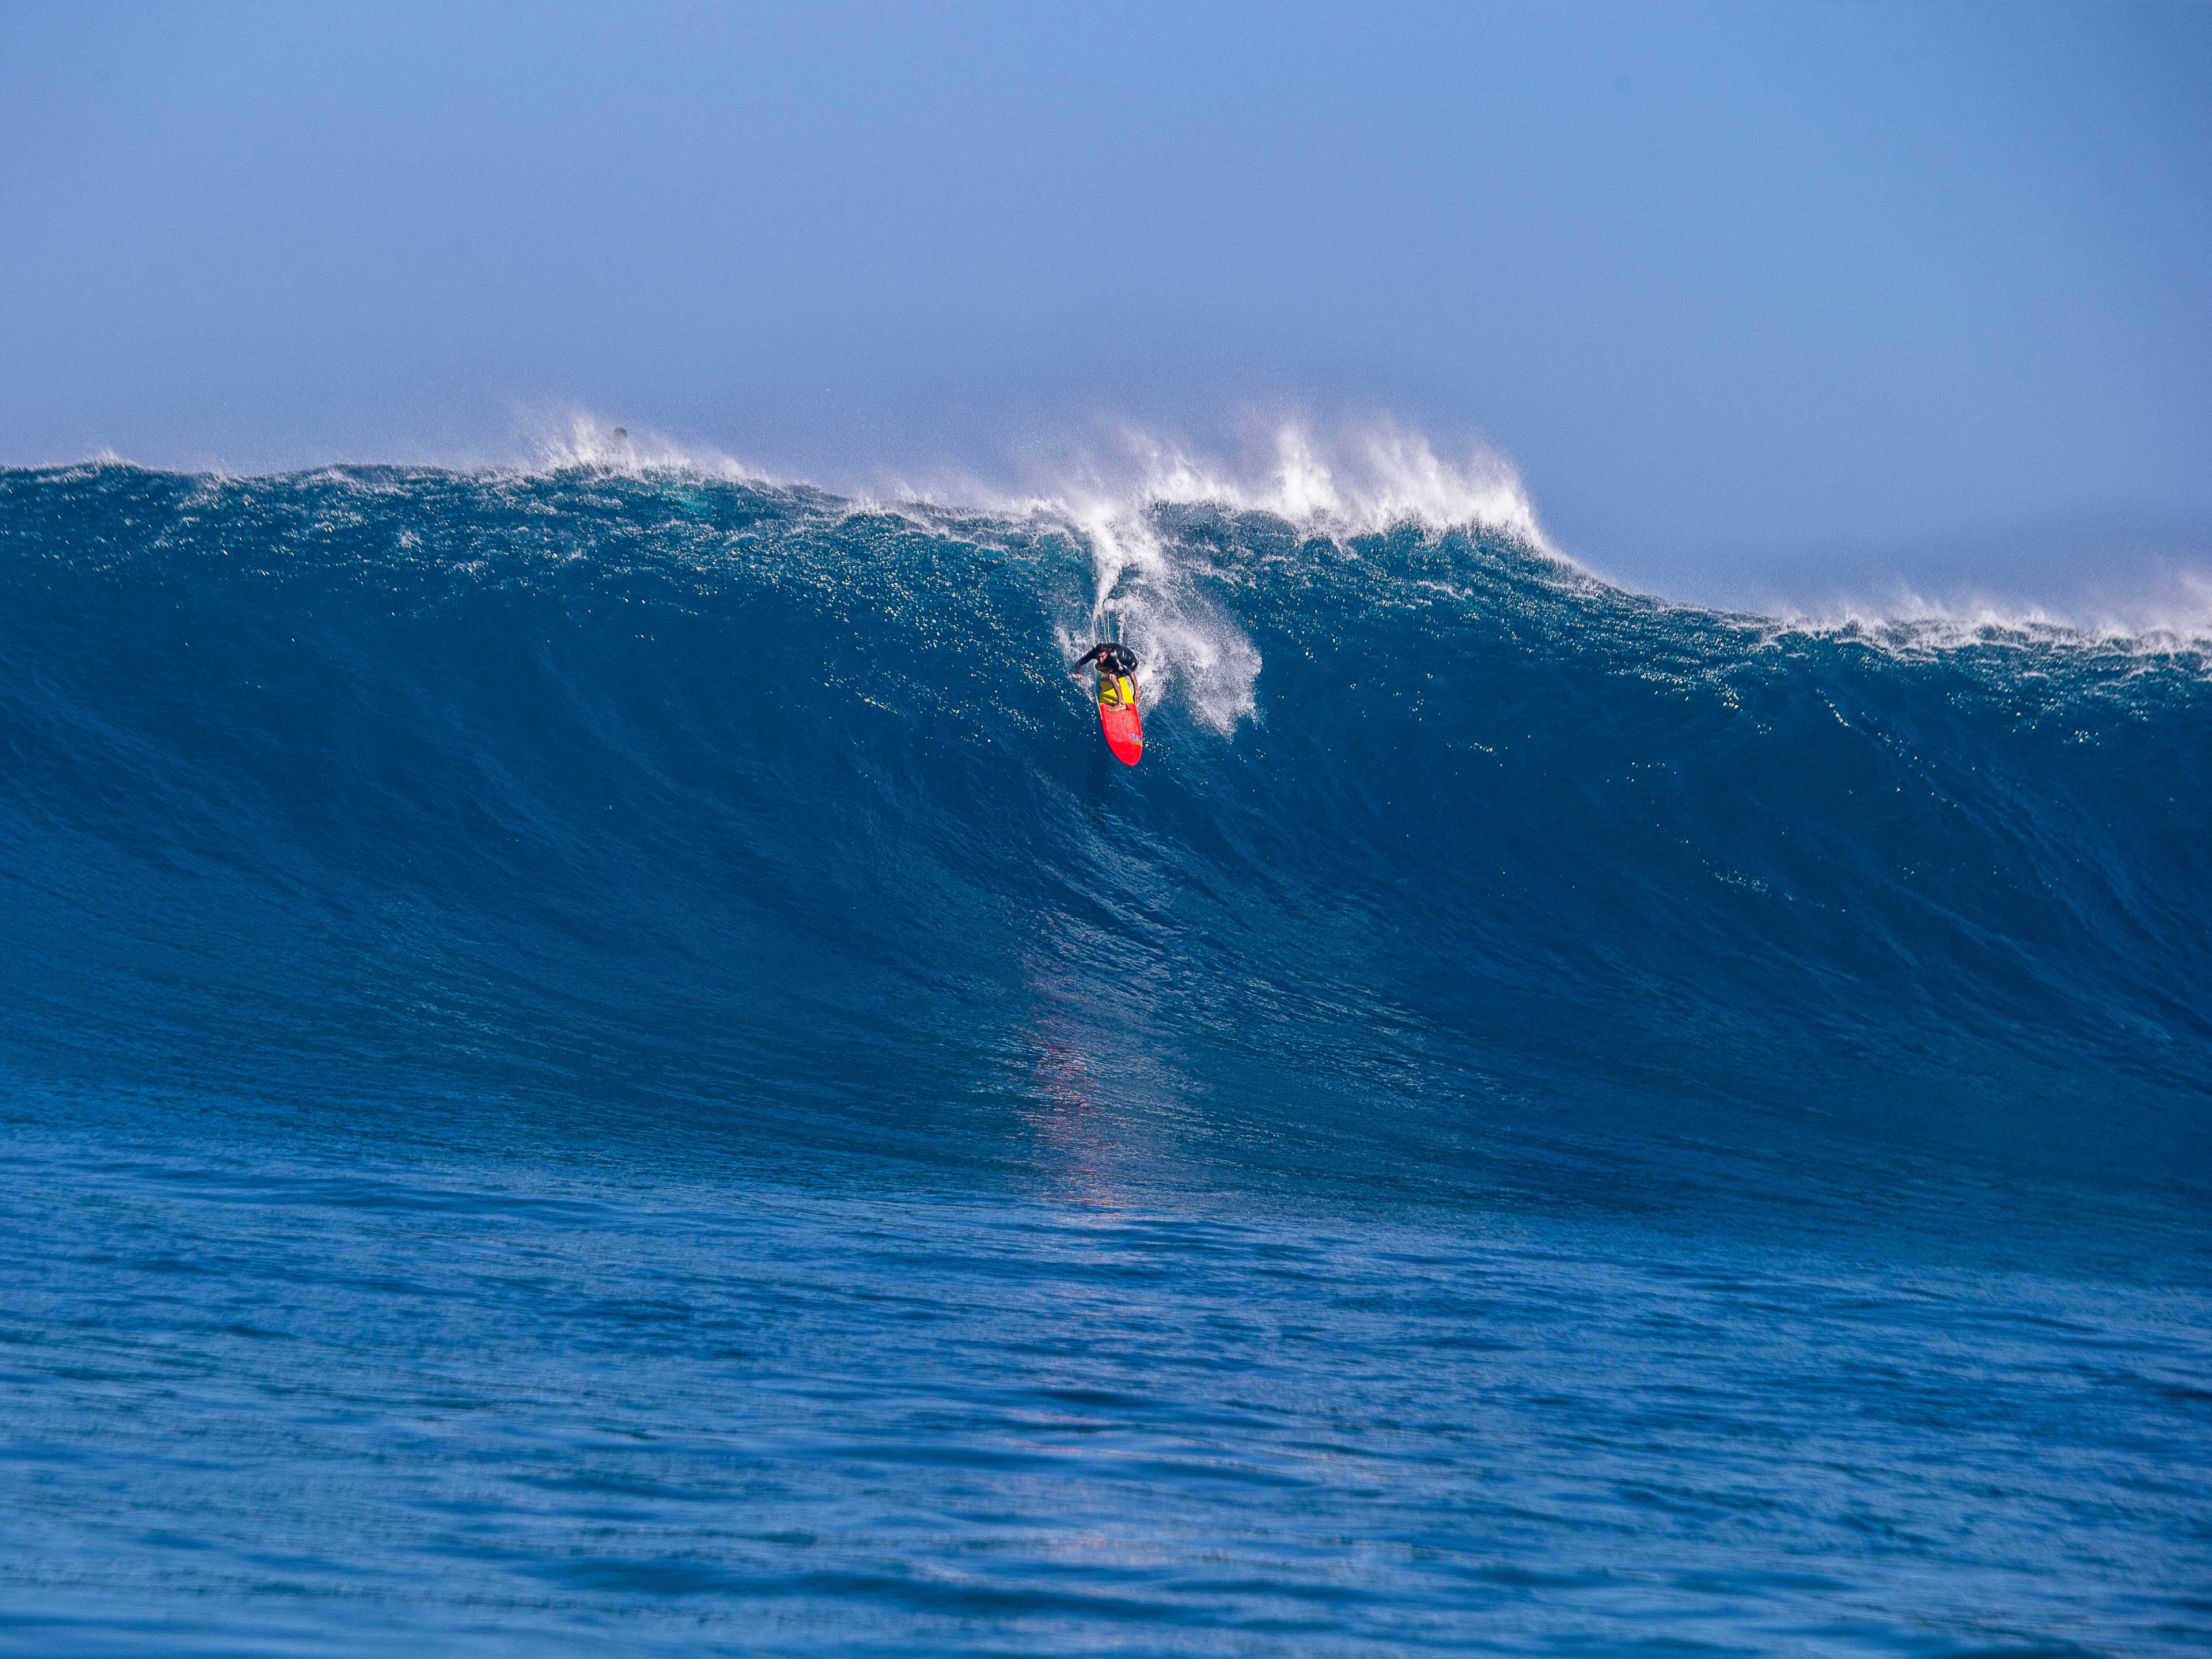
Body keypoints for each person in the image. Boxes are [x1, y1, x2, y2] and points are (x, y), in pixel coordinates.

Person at [1074, 641, 1139, 708]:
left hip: (1132, 664)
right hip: (1118, 660)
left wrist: (1136, 691)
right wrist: (1077, 672)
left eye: (1103, 657)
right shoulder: (1094, 653)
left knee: (1112, 676)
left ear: (1107, 653)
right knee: (1098, 666)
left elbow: (1131, 673)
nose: (1100, 659)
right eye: (1098, 657)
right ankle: (1115, 675)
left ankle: (1121, 703)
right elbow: (1079, 662)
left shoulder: (1114, 658)